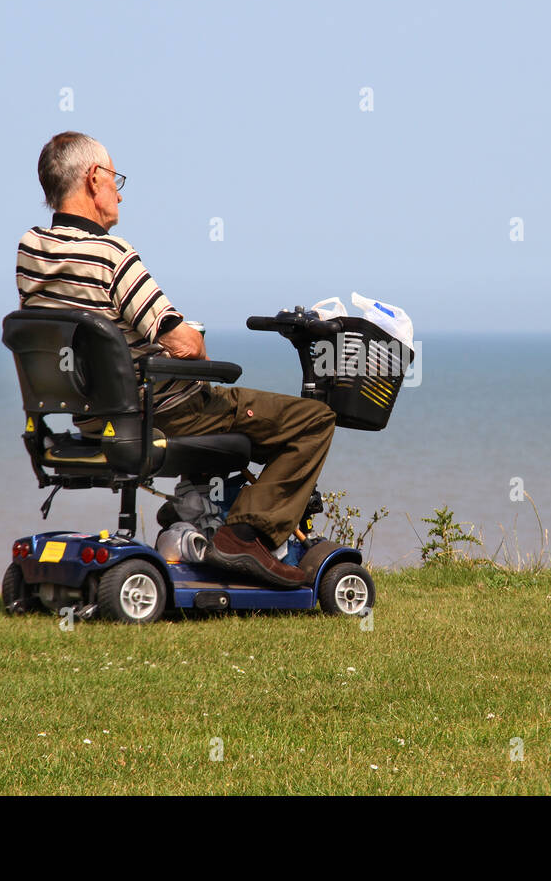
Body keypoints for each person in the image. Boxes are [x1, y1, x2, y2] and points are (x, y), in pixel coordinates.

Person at [17, 131, 336, 590]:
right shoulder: (111, 255)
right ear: (92, 179)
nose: (119, 191)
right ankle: (244, 536)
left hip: (89, 419)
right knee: (312, 420)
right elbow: (184, 343)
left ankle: (187, 516)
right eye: (113, 178)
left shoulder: (30, 252)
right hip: (162, 412)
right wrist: (195, 347)